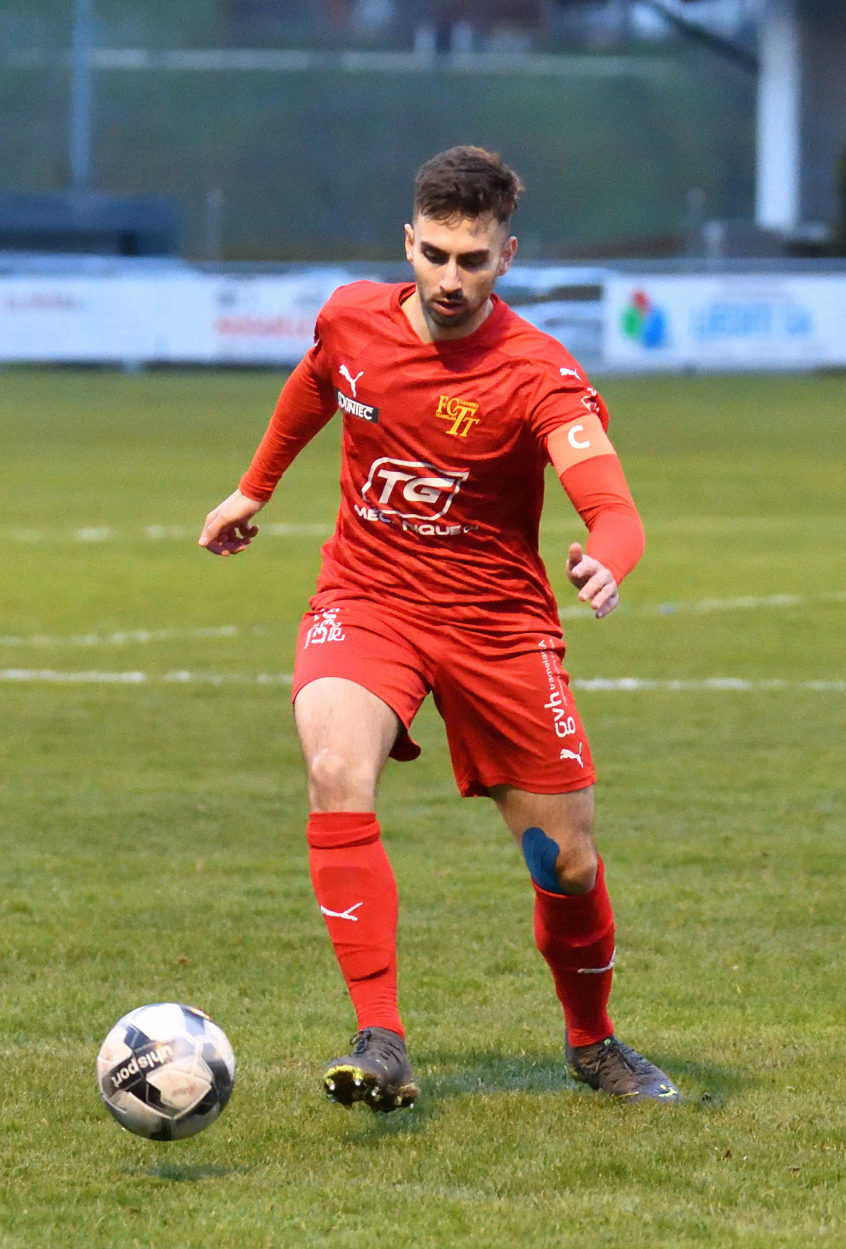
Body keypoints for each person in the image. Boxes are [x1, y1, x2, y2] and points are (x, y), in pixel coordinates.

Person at [198, 146, 680, 1106]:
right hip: (367, 599)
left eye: (474, 259)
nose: (450, 279)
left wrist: (605, 557)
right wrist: (253, 488)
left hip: (498, 627)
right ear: (407, 242)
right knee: (335, 768)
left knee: (567, 861)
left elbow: (613, 506)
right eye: (436, 256)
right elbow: (315, 385)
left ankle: (592, 1044)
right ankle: (381, 1036)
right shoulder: (350, 318)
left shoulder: (538, 373)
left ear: (508, 257)